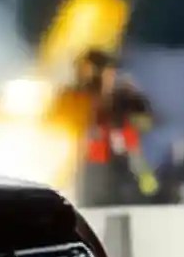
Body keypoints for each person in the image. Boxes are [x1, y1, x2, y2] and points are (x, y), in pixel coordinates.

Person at [68, 49, 158, 206]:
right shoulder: (79, 97)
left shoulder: (124, 97)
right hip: (93, 165)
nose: (111, 75)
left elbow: (145, 123)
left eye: (111, 71)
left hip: (121, 164)